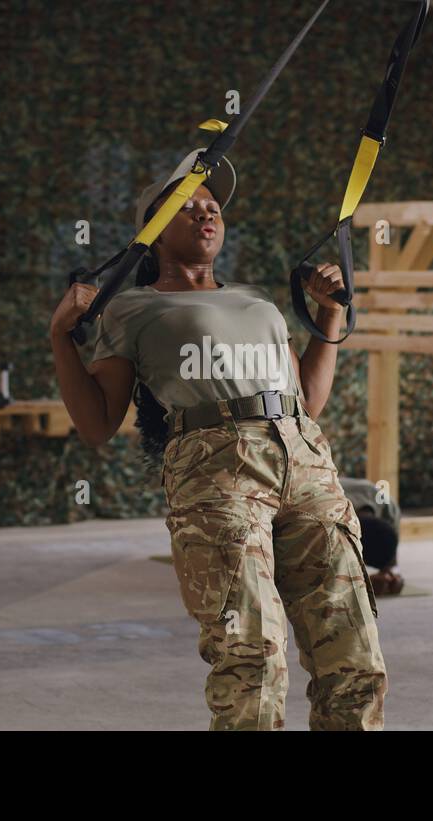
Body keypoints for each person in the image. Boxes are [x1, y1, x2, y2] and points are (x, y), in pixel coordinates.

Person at [50, 150, 388, 730]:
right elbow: (98, 424)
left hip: (303, 459)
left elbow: (306, 399)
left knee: (353, 656)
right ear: (151, 233)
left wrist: (328, 316)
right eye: (188, 208)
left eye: (213, 209)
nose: (206, 215)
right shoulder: (130, 308)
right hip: (215, 471)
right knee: (251, 653)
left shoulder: (257, 299)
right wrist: (60, 335)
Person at [339, 476, 405, 596]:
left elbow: (390, 560)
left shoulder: (389, 509)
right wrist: (362, 582)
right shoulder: (325, 513)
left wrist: (392, 576)